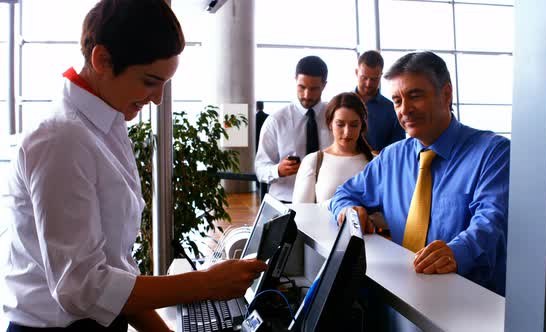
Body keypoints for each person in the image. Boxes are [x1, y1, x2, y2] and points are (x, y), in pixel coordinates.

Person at [1, 1, 266, 331]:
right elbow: (82, 288)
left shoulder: (105, 123)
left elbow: (116, 272)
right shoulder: (61, 139)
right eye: (149, 81)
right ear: (102, 60)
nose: (157, 98)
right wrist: (206, 284)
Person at [330, 51, 509, 296]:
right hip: (406, 296)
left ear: (446, 94)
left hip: (469, 301)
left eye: (415, 96)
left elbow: (492, 223)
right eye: (397, 101)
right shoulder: (392, 157)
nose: (405, 110)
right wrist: (348, 211)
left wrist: (455, 252)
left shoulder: (493, 152)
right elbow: (345, 193)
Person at [255, 56, 332, 203]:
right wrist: (277, 170)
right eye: (301, 87)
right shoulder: (276, 121)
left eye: (314, 88)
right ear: (295, 80)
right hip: (286, 202)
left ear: (324, 85)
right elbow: (260, 168)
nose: (307, 95)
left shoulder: (335, 116)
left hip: (326, 202)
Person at [292, 92, 373, 209]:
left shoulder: (375, 162)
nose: (347, 132)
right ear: (330, 124)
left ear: (362, 125)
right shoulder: (314, 161)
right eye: (340, 124)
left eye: (354, 125)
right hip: (321, 227)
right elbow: (300, 213)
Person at [355, 50, 405, 153]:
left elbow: (398, 148)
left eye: (374, 79)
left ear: (381, 75)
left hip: (380, 165)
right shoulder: (341, 104)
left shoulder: (392, 109)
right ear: (356, 72)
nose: (368, 84)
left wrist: (381, 156)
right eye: (364, 78)